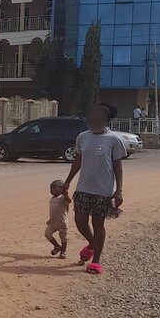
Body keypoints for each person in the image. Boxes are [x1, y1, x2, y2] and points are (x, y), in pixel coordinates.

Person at [62, 103, 126, 275]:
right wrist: (67, 181)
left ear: (106, 119)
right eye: (92, 116)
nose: (94, 120)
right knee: (80, 222)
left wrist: (118, 190)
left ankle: (96, 261)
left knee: (98, 225)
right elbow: (77, 162)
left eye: (99, 117)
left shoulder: (114, 139)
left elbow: (117, 167)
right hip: (83, 188)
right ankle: (92, 244)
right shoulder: (82, 137)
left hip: (103, 191)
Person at [45, 179, 70, 258]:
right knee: (47, 234)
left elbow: (69, 201)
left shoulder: (62, 198)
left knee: (63, 237)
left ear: (61, 189)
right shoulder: (51, 199)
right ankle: (57, 246)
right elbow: (52, 211)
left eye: (53, 188)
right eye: (50, 188)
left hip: (62, 222)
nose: (51, 190)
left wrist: (66, 195)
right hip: (53, 222)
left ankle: (63, 252)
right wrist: (50, 219)